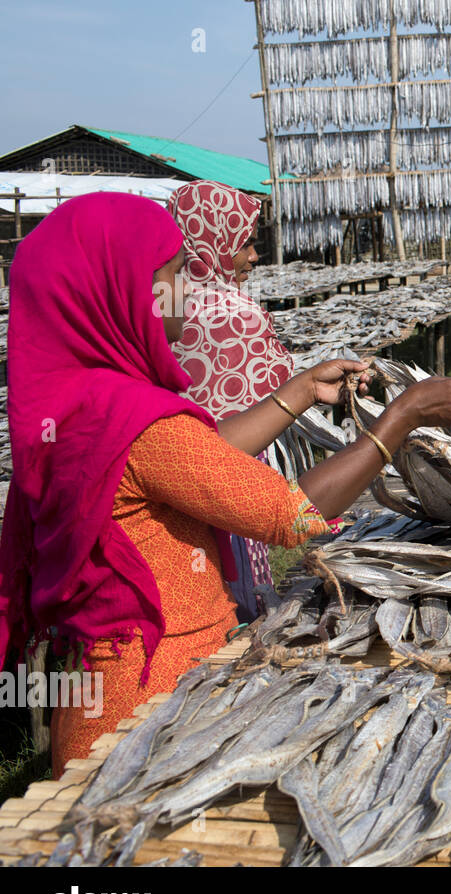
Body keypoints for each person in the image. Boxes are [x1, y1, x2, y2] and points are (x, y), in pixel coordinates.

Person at [0, 193, 451, 776]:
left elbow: (197, 464)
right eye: (176, 276)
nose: (189, 293)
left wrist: (298, 391)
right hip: (149, 707)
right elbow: (296, 515)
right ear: (121, 289)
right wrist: (399, 419)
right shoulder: (138, 421)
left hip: (102, 691)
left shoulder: (79, 402)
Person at [167, 180, 295, 622]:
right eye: (244, 244)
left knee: (191, 571)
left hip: (170, 479)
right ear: (215, 243)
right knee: (241, 590)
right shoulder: (236, 315)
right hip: (224, 472)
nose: (253, 257)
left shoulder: (160, 307)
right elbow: (277, 389)